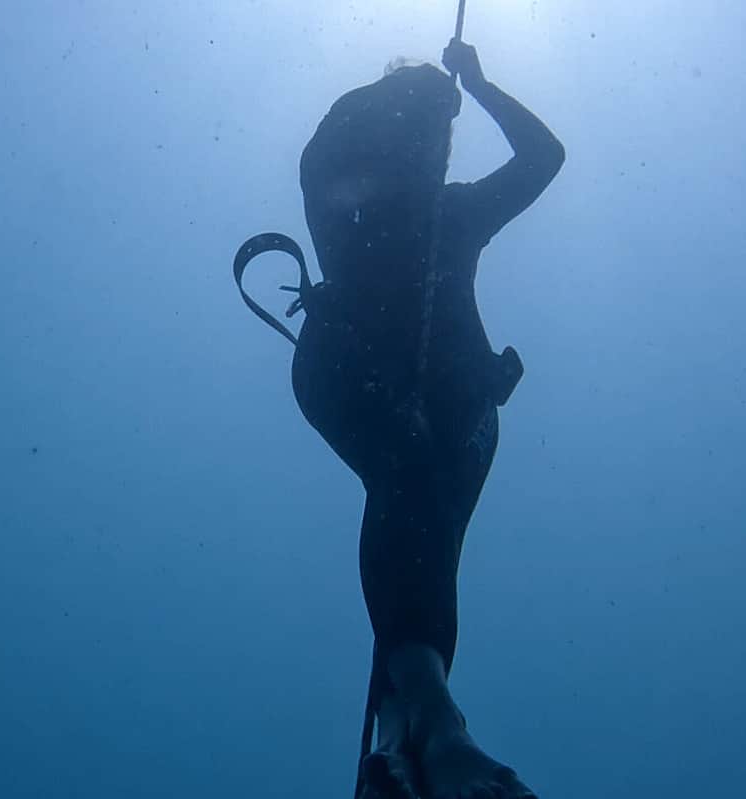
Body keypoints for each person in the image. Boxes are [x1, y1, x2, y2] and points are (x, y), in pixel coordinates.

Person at [279, 38, 564, 799]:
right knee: (416, 489)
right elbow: (544, 155)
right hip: (361, 378)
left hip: (426, 399)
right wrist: (469, 88)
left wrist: (463, 88)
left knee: (420, 504)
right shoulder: (442, 207)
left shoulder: (437, 206)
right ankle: (437, 721)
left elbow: (545, 157)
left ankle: (407, 723)